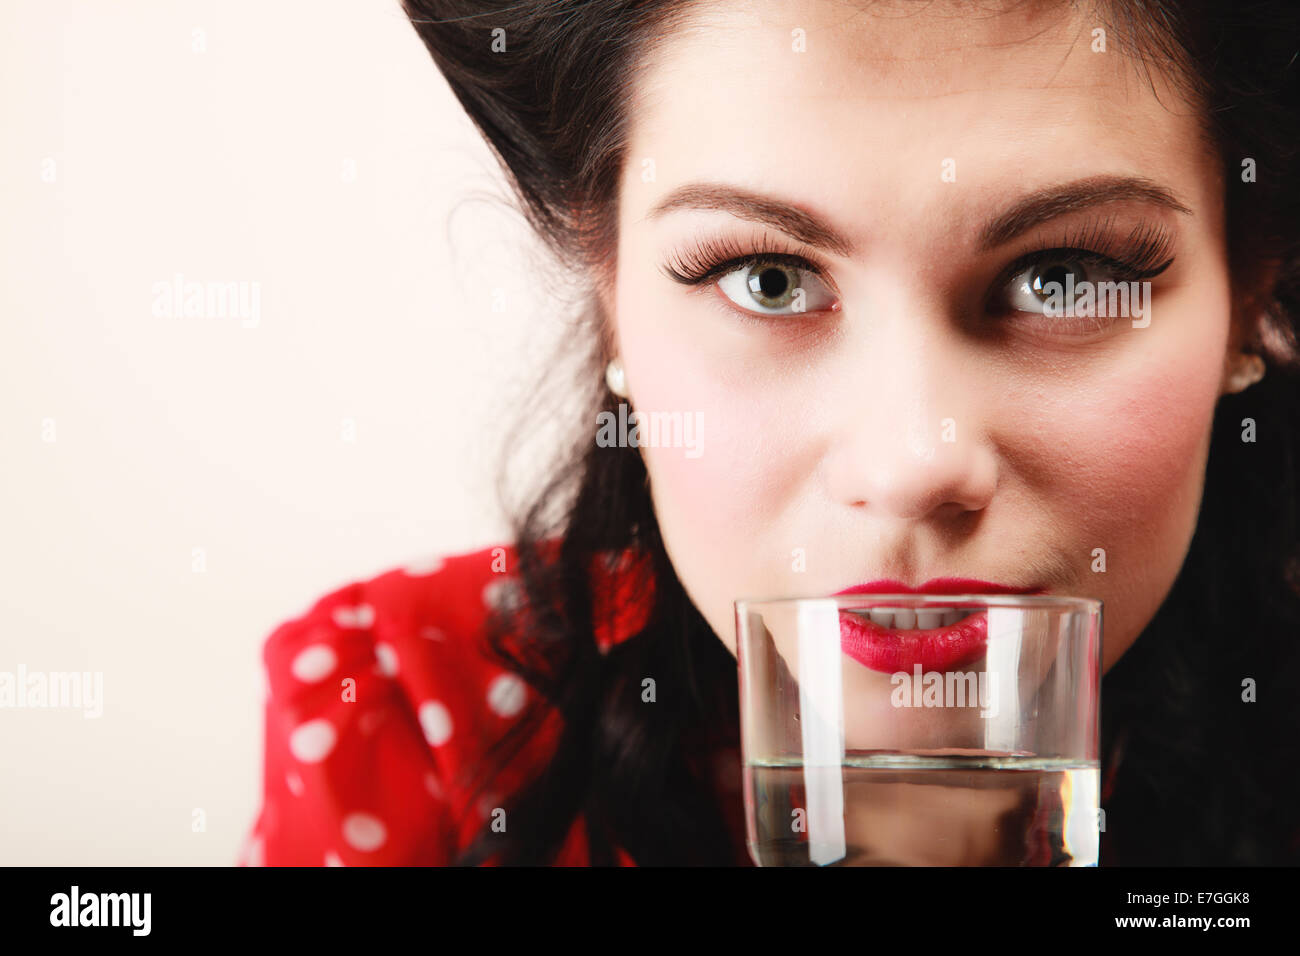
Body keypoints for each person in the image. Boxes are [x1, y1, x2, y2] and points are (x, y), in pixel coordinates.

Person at [242, 0, 1300, 866]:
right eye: (770, 278)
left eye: (1061, 276)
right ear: (609, 293)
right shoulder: (413, 717)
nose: (910, 465)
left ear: (1251, 295)